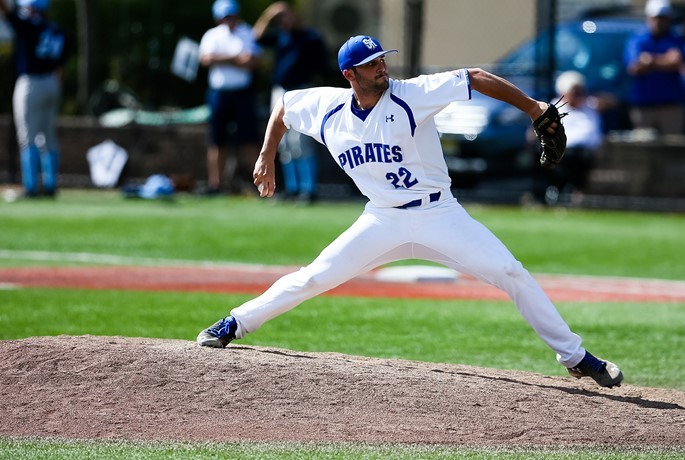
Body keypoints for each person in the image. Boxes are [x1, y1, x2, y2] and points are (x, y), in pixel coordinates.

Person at [196, 35, 624, 389]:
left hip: (441, 216)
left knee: (511, 273)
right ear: (350, 75)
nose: (380, 67)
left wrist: (534, 108)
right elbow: (286, 107)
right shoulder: (328, 108)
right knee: (314, 276)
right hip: (381, 218)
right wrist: (266, 154)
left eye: (381, 59)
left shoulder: (410, 96)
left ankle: (576, 357)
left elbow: (474, 77)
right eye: (370, 64)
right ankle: (234, 323)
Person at [253, 2, 329, 204]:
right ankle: (293, 189)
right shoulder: (280, 36)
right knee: (284, 143)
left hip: (302, 90)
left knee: (301, 141)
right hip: (280, 92)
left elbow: (323, 64)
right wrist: (269, 14)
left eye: (287, 17)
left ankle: (309, 189)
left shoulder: (309, 37)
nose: (285, 21)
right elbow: (256, 37)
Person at [0, 0, 70, 198]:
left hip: (31, 83)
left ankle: (30, 187)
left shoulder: (28, 24)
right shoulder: (57, 30)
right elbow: (61, 64)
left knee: (28, 136)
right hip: (52, 82)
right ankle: (50, 186)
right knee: (48, 137)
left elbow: (7, 12)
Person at [199, 0, 262, 194]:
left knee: (249, 139)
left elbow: (254, 61)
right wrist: (235, 58)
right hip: (219, 93)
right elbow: (205, 59)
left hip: (242, 93)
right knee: (217, 140)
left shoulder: (247, 32)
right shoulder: (212, 35)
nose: (229, 20)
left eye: (232, 15)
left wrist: (222, 59)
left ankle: (259, 184)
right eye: (226, 16)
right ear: (219, 17)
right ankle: (215, 183)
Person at [537, 71, 613, 204]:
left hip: (588, 152)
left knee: (582, 160)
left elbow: (612, 101)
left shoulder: (590, 104)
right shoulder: (554, 108)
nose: (578, 96)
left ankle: (578, 195)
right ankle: (559, 194)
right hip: (563, 151)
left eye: (580, 92)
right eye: (574, 92)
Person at [624, 0, 685, 135]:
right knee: (643, 150)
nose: (659, 21)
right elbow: (634, 67)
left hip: (671, 105)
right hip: (643, 105)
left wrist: (650, 60)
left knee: (673, 147)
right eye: (655, 18)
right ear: (648, 18)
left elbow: (676, 62)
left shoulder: (676, 39)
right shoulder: (637, 39)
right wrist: (665, 60)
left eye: (663, 18)